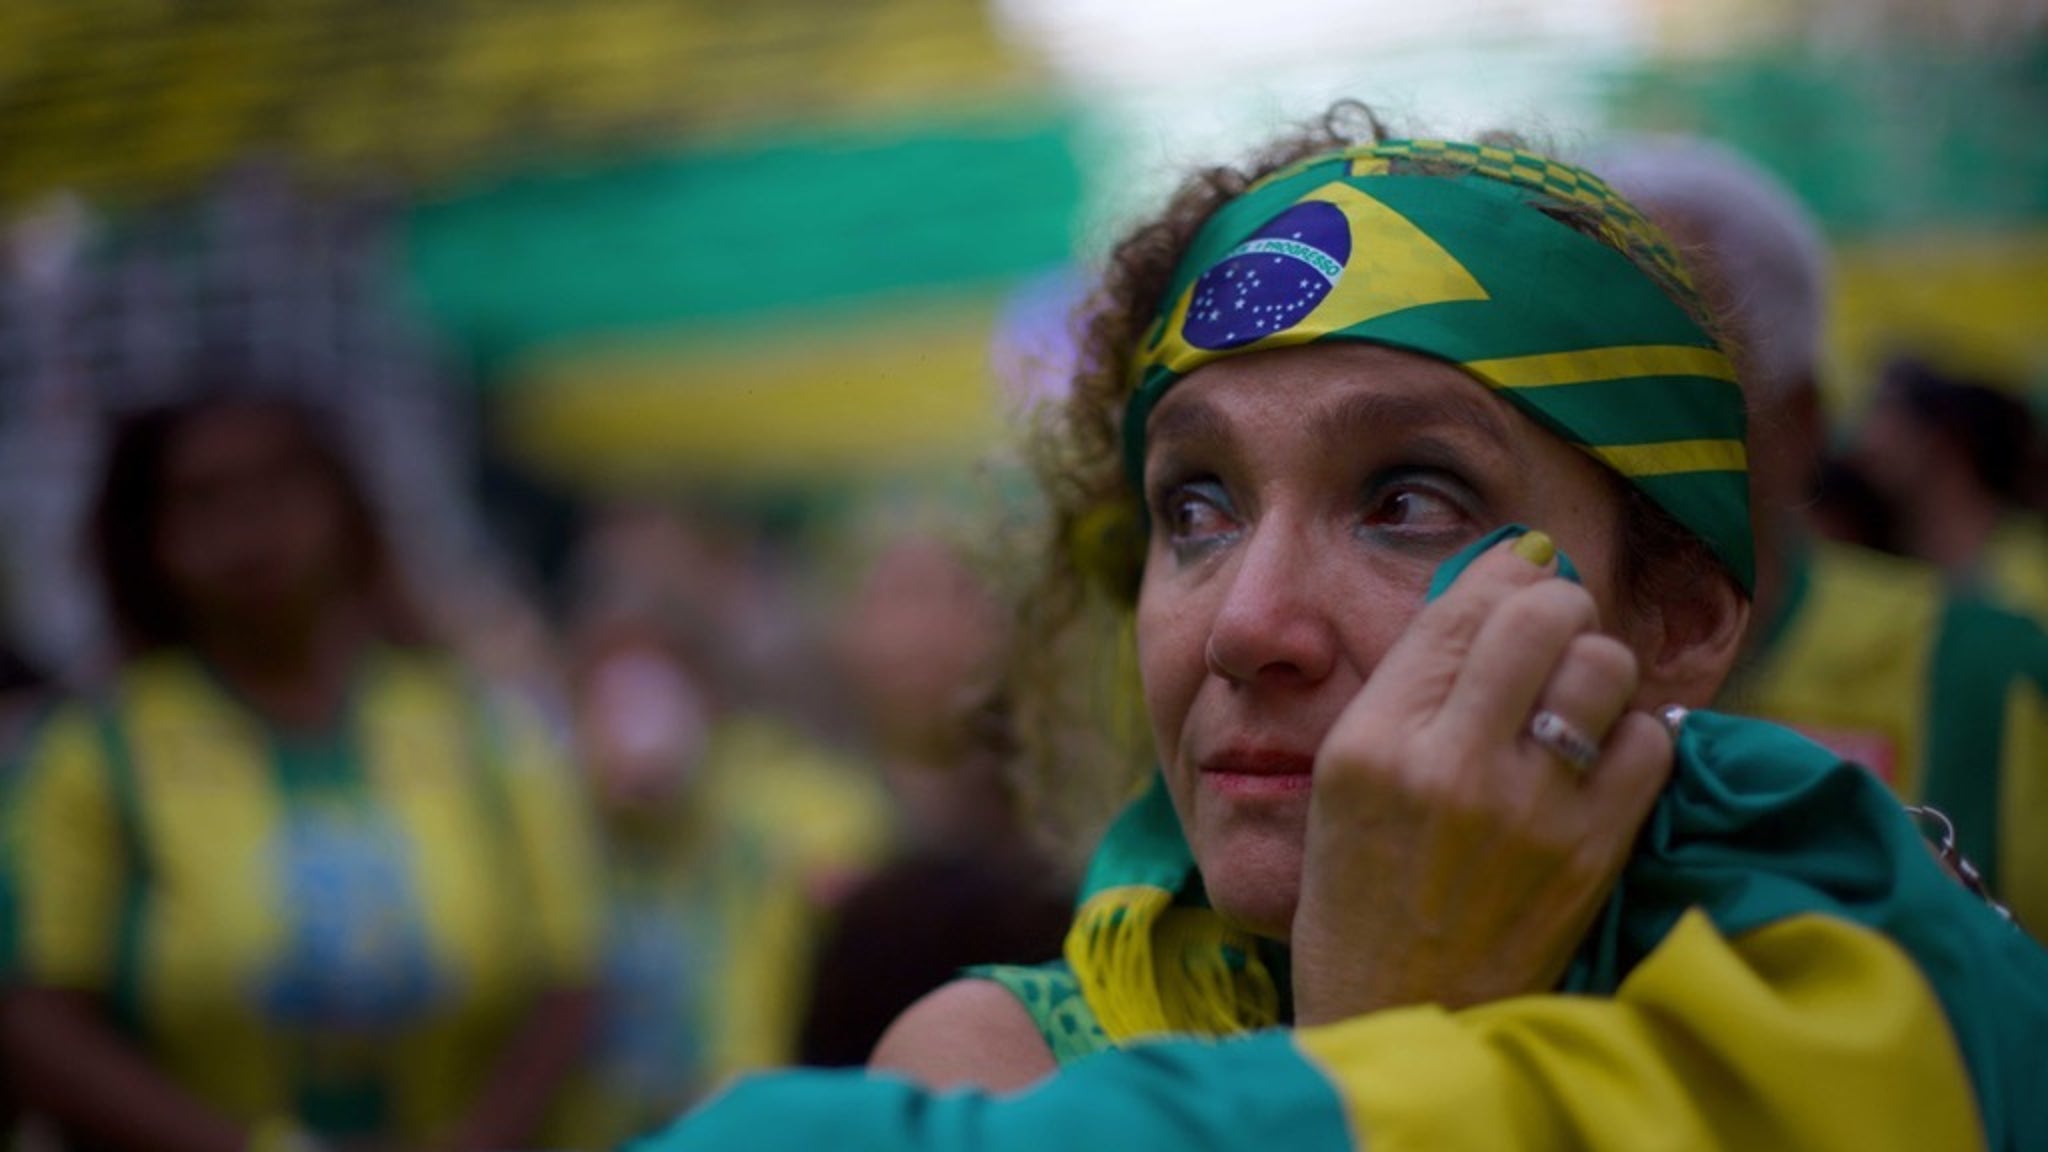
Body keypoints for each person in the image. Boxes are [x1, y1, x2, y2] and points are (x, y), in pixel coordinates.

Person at [627, 107, 2048, 1151]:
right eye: (1196, 508)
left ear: (1679, 618)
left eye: (1409, 499)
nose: (1247, 624)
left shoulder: (1862, 1020)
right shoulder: (993, 1067)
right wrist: (1374, 1043)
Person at [0, 384, 603, 1152]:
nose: (250, 527)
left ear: (347, 510)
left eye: (281, 486)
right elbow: (37, 1020)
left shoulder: (478, 729)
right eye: (202, 501)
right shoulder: (91, 756)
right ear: (146, 538)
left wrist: (482, 1138)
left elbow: (572, 972)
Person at [1593, 136, 2048, 927]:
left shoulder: (1986, 675)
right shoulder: (1433, 678)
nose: (1613, 440)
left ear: (1801, 421)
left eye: (1685, 388)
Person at [1854, 354, 2048, 625]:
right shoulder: (1871, 557)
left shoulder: (2028, 571)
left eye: (1887, 415)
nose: (1867, 440)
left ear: (1943, 440)